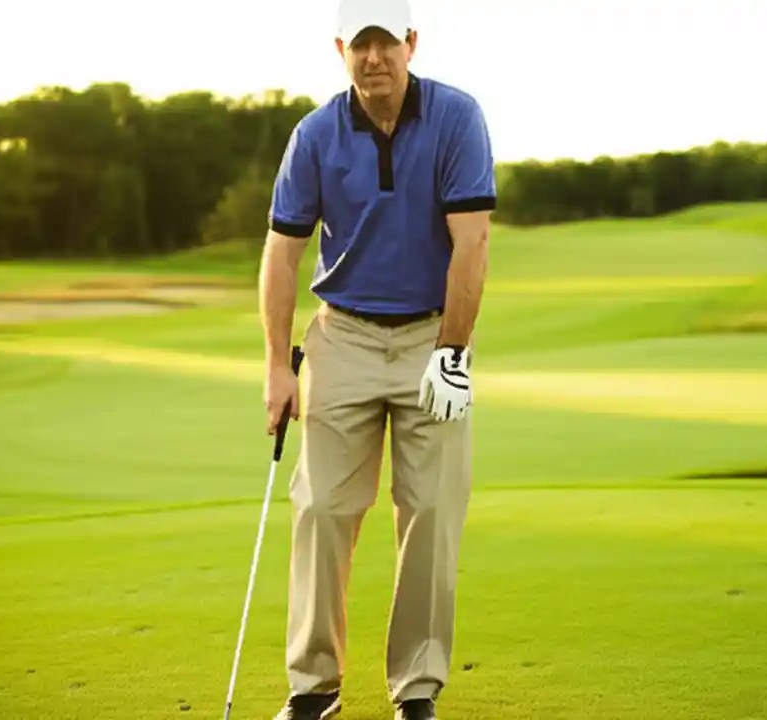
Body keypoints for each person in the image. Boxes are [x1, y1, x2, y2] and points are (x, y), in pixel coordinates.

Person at [257, 0, 496, 717]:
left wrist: (451, 355)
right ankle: (314, 688)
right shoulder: (315, 134)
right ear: (340, 49)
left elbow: (472, 243)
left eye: (386, 43)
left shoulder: (457, 117)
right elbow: (282, 251)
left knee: (430, 509)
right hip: (344, 338)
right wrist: (276, 364)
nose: (374, 58)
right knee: (323, 506)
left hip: (431, 334)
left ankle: (416, 691)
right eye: (360, 45)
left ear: (411, 43)